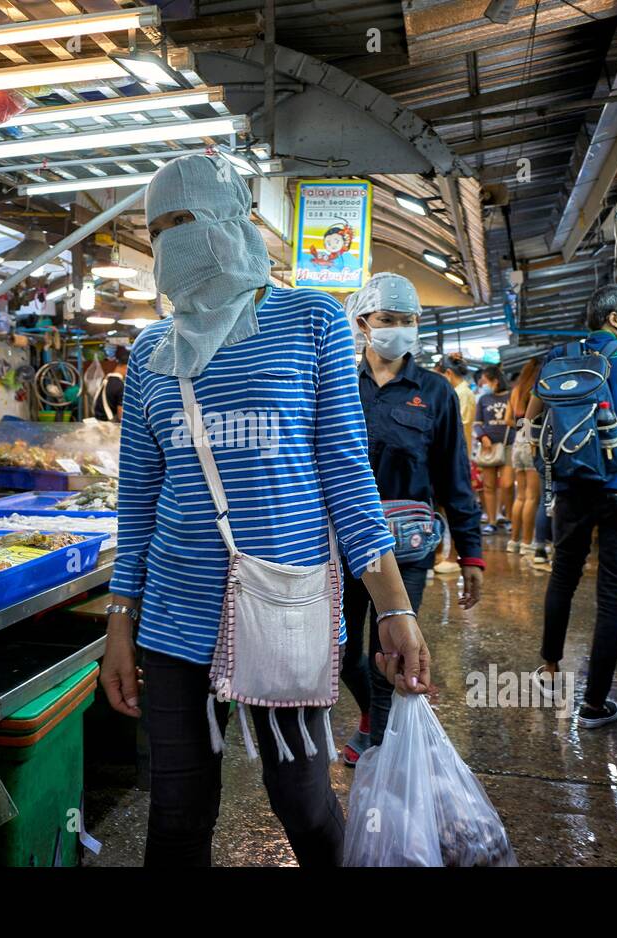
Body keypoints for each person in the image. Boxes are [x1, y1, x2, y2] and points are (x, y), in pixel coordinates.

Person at [99, 154, 431, 867]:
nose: (170, 245)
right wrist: (119, 623)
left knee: (306, 806)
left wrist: (397, 609)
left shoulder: (314, 321)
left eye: (183, 223)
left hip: (285, 610)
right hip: (173, 621)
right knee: (178, 817)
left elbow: (347, 476)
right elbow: (138, 502)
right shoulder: (152, 349)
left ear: (233, 221)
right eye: (157, 231)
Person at [340, 273, 484, 765]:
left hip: (406, 549)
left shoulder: (435, 392)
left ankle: (383, 754)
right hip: (338, 545)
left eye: (407, 321)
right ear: (363, 323)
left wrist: (471, 554)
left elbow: (454, 476)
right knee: (339, 654)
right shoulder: (335, 379)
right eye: (387, 320)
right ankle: (370, 718)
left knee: (394, 651)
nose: (398, 330)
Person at [528, 283, 617, 728]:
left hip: (571, 485)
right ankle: (593, 704)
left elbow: (533, 414)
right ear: (612, 317)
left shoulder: (559, 354)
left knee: (563, 577)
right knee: (612, 595)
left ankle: (549, 668)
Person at [434, 353, 477, 575]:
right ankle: (441, 553)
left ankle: (452, 556)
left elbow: (455, 428)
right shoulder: (459, 392)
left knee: (454, 507)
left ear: (448, 374)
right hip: (452, 456)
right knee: (443, 506)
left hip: (456, 457)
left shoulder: (462, 394)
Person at [505, 357, 543, 556]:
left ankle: (514, 541)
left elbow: (509, 420)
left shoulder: (516, 391)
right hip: (532, 441)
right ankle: (528, 542)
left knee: (520, 496)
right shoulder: (537, 390)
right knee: (531, 497)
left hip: (518, 441)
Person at [474, 365, 513, 534]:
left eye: (485, 380)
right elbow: (477, 424)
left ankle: (510, 518)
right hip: (488, 447)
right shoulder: (483, 399)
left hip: (509, 445)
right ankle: (491, 521)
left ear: (495, 381)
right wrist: (483, 437)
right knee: (488, 486)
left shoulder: (512, 397)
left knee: (507, 485)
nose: (483, 383)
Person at [92, 346, 128, 422]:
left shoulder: (106, 379)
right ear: (126, 367)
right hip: (109, 426)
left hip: (98, 421)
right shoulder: (120, 386)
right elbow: (121, 416)